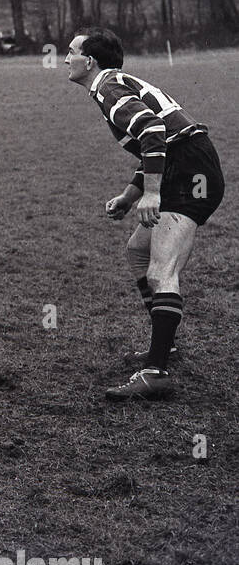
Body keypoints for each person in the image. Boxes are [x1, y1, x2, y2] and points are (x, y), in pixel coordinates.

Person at [65, 27, 225, 401]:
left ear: (90, 61)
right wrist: (129, 195)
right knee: (138, 251)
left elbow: (154, 131)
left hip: (190, 172)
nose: (66, 59)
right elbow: (156, 144)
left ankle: (155, 373)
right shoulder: (114, 82)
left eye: (71, 52)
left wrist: (152, 194)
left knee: (160, 269)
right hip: (188, 164)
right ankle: (163, 347)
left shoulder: (107, 87)